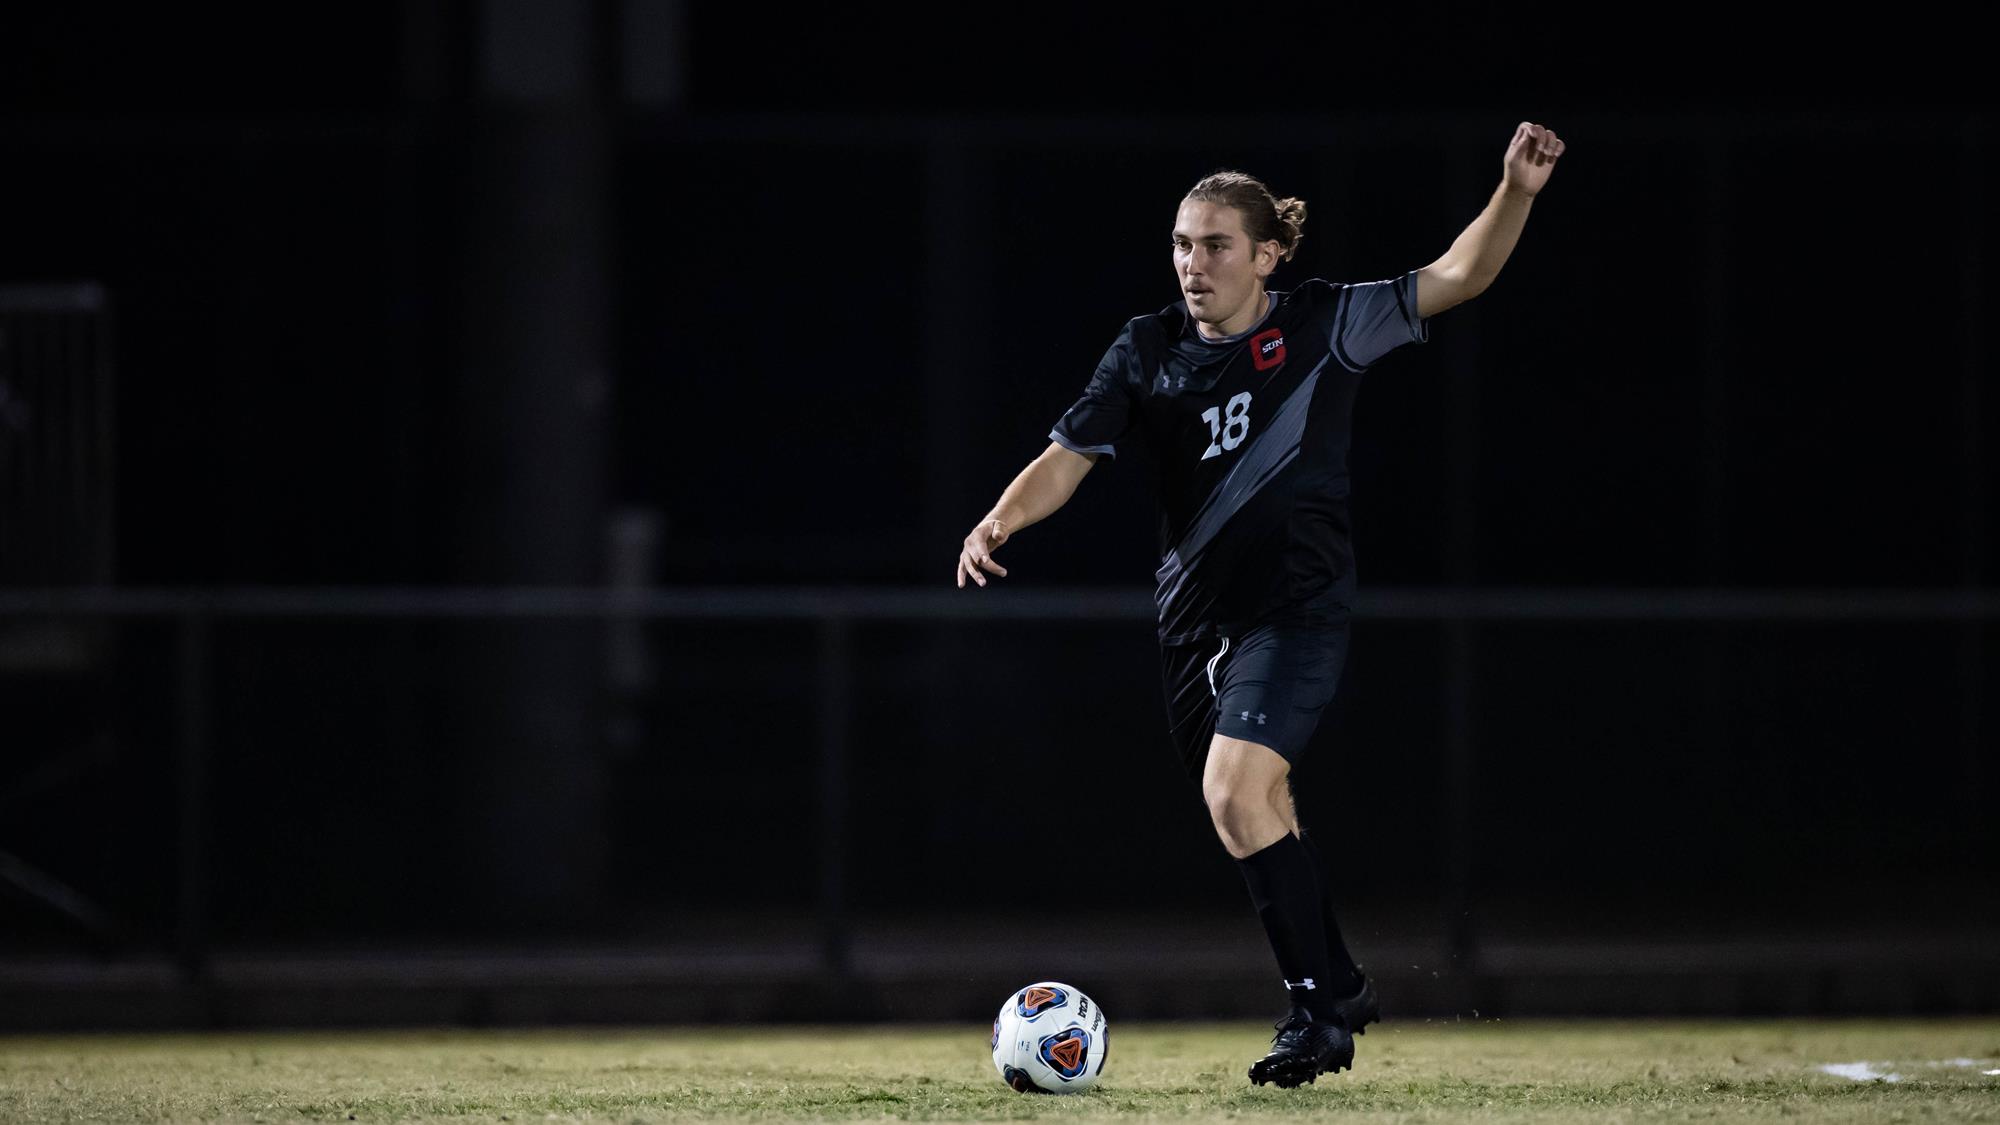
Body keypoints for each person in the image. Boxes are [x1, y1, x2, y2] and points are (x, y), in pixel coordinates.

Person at [956, 122, 1565, 1087]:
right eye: (1181, 244)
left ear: (1268, 254)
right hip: (1196, 623)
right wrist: (999, 517)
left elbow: (1457, 276)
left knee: (1235, 792)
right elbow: (1068, 459)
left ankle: (1318, 1017)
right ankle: (1345, 984)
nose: (1192, 264)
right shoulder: (1146, 347)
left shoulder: (1325, 323)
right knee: (1258, 807)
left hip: (1297, 608)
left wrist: (1517, 192)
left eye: (1216, 245)